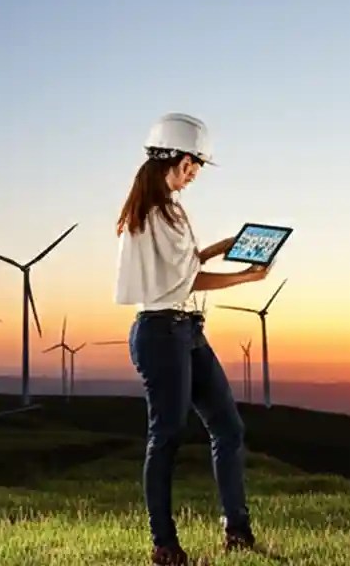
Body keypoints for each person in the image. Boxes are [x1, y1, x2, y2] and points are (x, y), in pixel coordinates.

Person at [115, 113, 271, 565]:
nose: (194, 175)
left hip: (186, 331)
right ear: (179, 159)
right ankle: (164, 544)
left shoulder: (166, 208)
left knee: (228, 426)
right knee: (165, 435)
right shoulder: (155, 211)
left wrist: (219, 248)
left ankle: (237, 532)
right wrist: (244, 276)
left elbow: (177, 270)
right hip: (162, 332)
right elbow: (187, 282)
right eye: (194, 166)